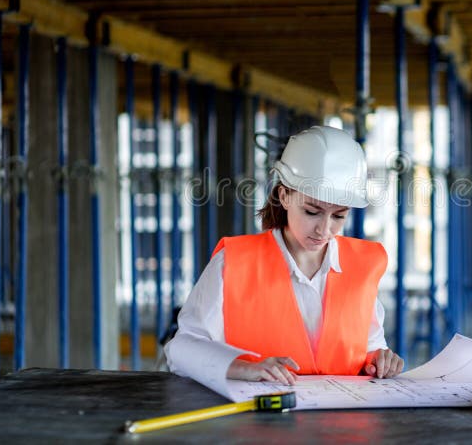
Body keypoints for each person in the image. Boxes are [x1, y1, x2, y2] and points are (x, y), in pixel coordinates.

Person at [165, 125, 404, 387]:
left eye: (339, 216)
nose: (324, 229)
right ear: (284, 196)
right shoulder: (233, 263)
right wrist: (244, 368)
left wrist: (379, 358)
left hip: (344, 422)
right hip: (260, 421)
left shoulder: (362, 265)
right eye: (311, 212)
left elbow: (369, 344)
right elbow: (182, 348)